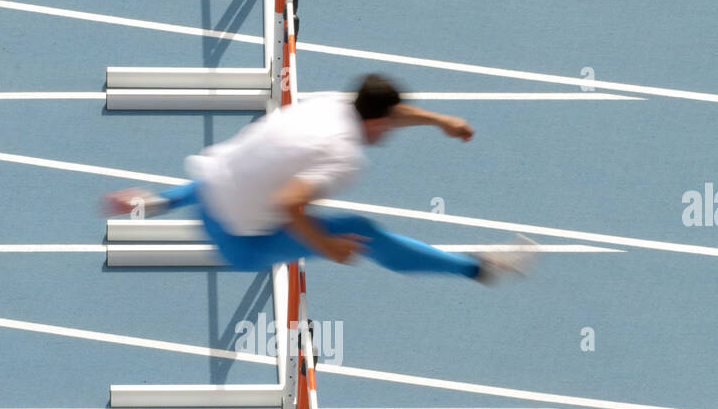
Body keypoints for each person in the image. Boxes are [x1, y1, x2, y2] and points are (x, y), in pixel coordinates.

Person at [103, 74, 534, 284]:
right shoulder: (343, 156)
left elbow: (385, 109)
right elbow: (292, 204)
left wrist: (439, 121)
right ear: (380, 122)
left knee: (240, 168)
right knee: (360, 231)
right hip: (241, 243)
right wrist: (326, 245)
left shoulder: (332, 103)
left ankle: (158, 202)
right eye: (390, 123)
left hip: (209, 192)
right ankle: (478, 269)